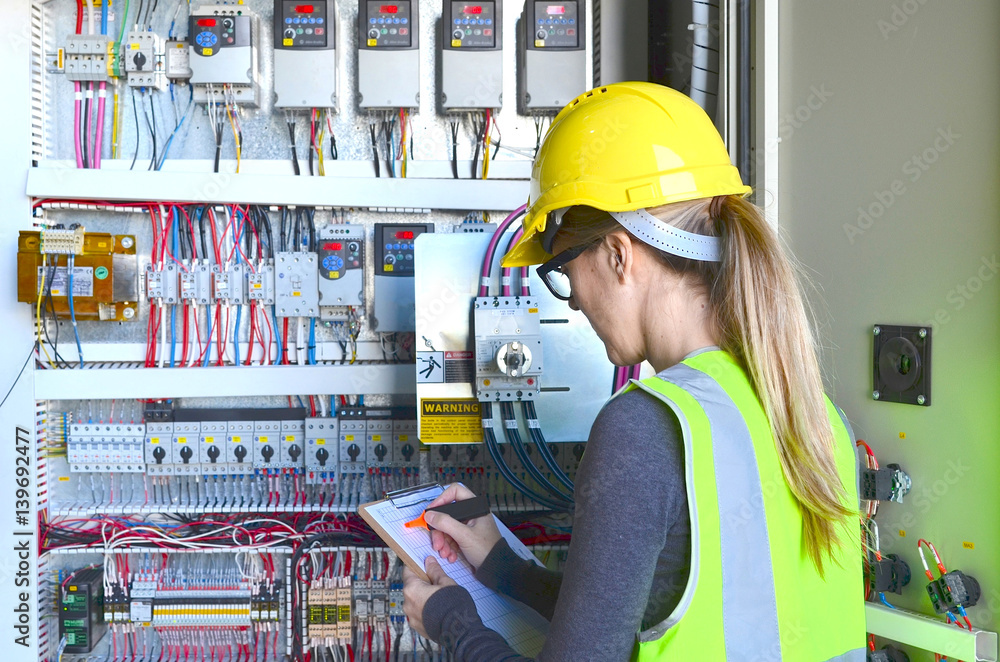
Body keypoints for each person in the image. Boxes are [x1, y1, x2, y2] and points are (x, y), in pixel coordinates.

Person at [402, 82, 866, 661]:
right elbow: (647, 614)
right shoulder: (820, 419)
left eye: (565, 273)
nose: (571, 302)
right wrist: (504, 568)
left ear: (619, 255)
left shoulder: (644, 428)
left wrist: (451, 622)